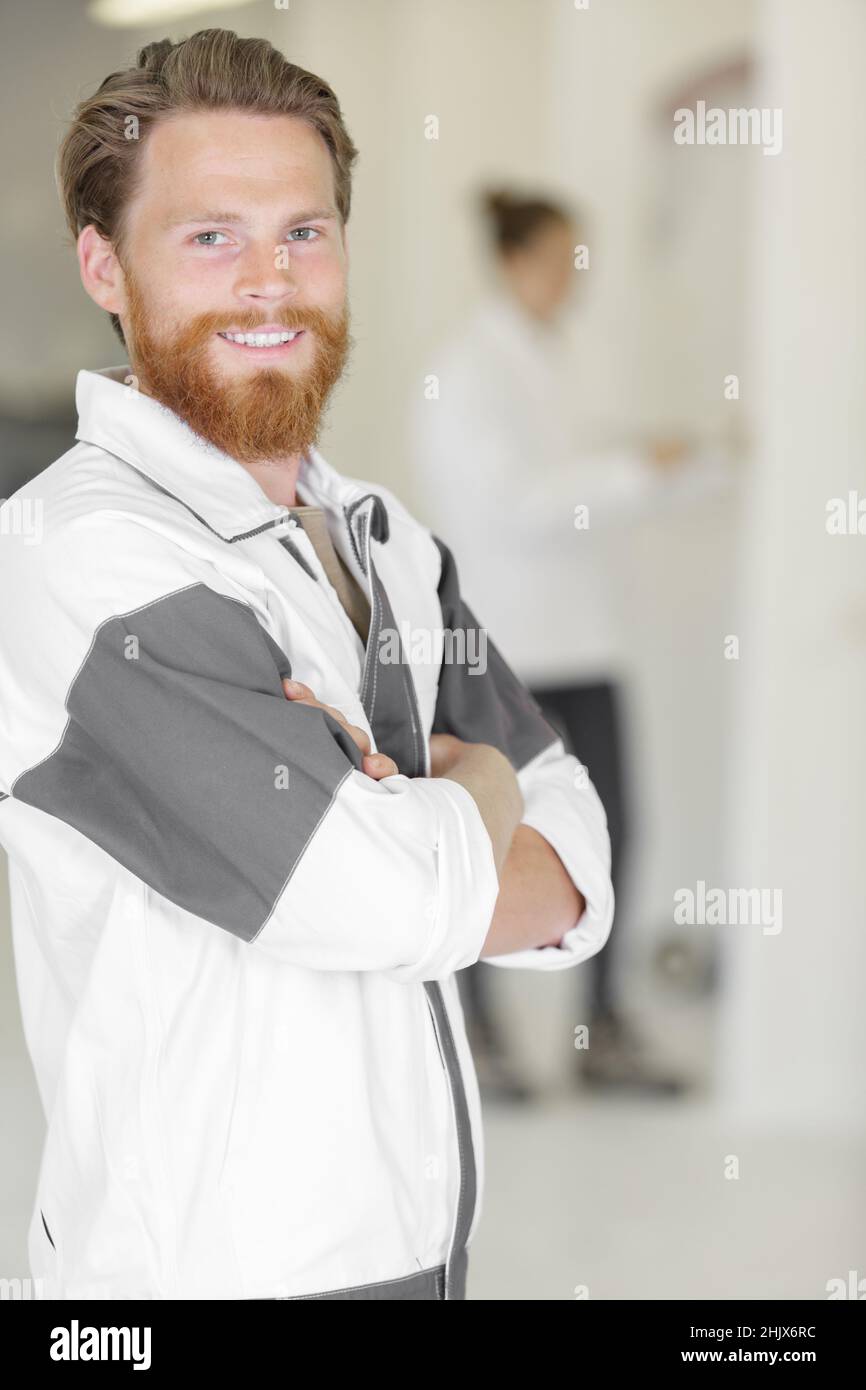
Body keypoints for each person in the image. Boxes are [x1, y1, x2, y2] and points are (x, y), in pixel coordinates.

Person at [0, 32, 614, 1301]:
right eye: (210, 236)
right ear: (103, 265)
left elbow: (568, 886)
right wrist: (485, 779)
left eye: (305, 231)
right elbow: (384, 901)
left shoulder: (388, 542)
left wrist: (419, 808)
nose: (269, 283)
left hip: (423, 1259)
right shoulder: (82, 562)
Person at [410, 188, 704, 1100]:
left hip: (587, 639)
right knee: (489, 835)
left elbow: (581, 478)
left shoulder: (564, 359)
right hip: (505, 648)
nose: (573, 278)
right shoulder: (467, 373)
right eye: (559, 258)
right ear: (512, 260)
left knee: (615, 829)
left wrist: (656, 467)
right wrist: (628, 472)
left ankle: (601, 1030)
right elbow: (517, 505)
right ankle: (479, 1036)